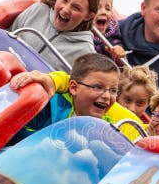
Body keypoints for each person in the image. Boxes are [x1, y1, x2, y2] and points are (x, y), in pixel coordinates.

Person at [9, 53, 144, 143]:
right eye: (97, 87)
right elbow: (13, 136)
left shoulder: (113, 126)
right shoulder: (49, 106)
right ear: (73, 88)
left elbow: (143, 134)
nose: (106, 96)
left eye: (113, 90)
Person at [10, 0, 101, 70]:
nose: (66, 9)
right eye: (64, 0)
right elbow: (8, 36)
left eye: (76, 7)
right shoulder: (38, 10)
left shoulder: (85, 51)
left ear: (88, 16)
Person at [92, 0, 127, 64]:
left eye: (108, 9)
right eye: (98, 8)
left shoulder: (114, 36)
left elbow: (122, 66)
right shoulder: (82, 34)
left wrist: (120, 54)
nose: (104, 12)